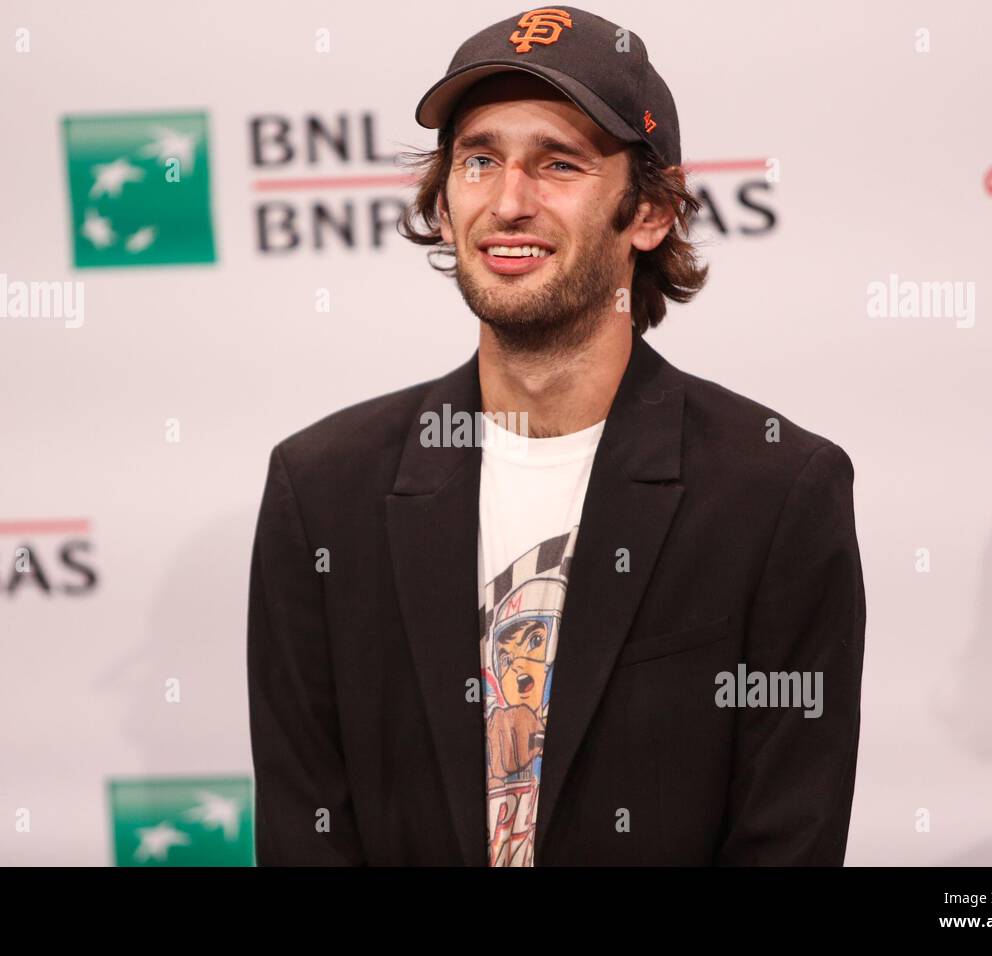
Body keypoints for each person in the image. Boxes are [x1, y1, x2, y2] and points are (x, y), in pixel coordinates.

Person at [247, 5, 866, 866]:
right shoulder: (321, 492)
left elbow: (787, 840)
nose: (508, 201)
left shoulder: (777, 492)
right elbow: (303, 833)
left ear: (649, 212)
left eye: (558, 163)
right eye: (479, 159)